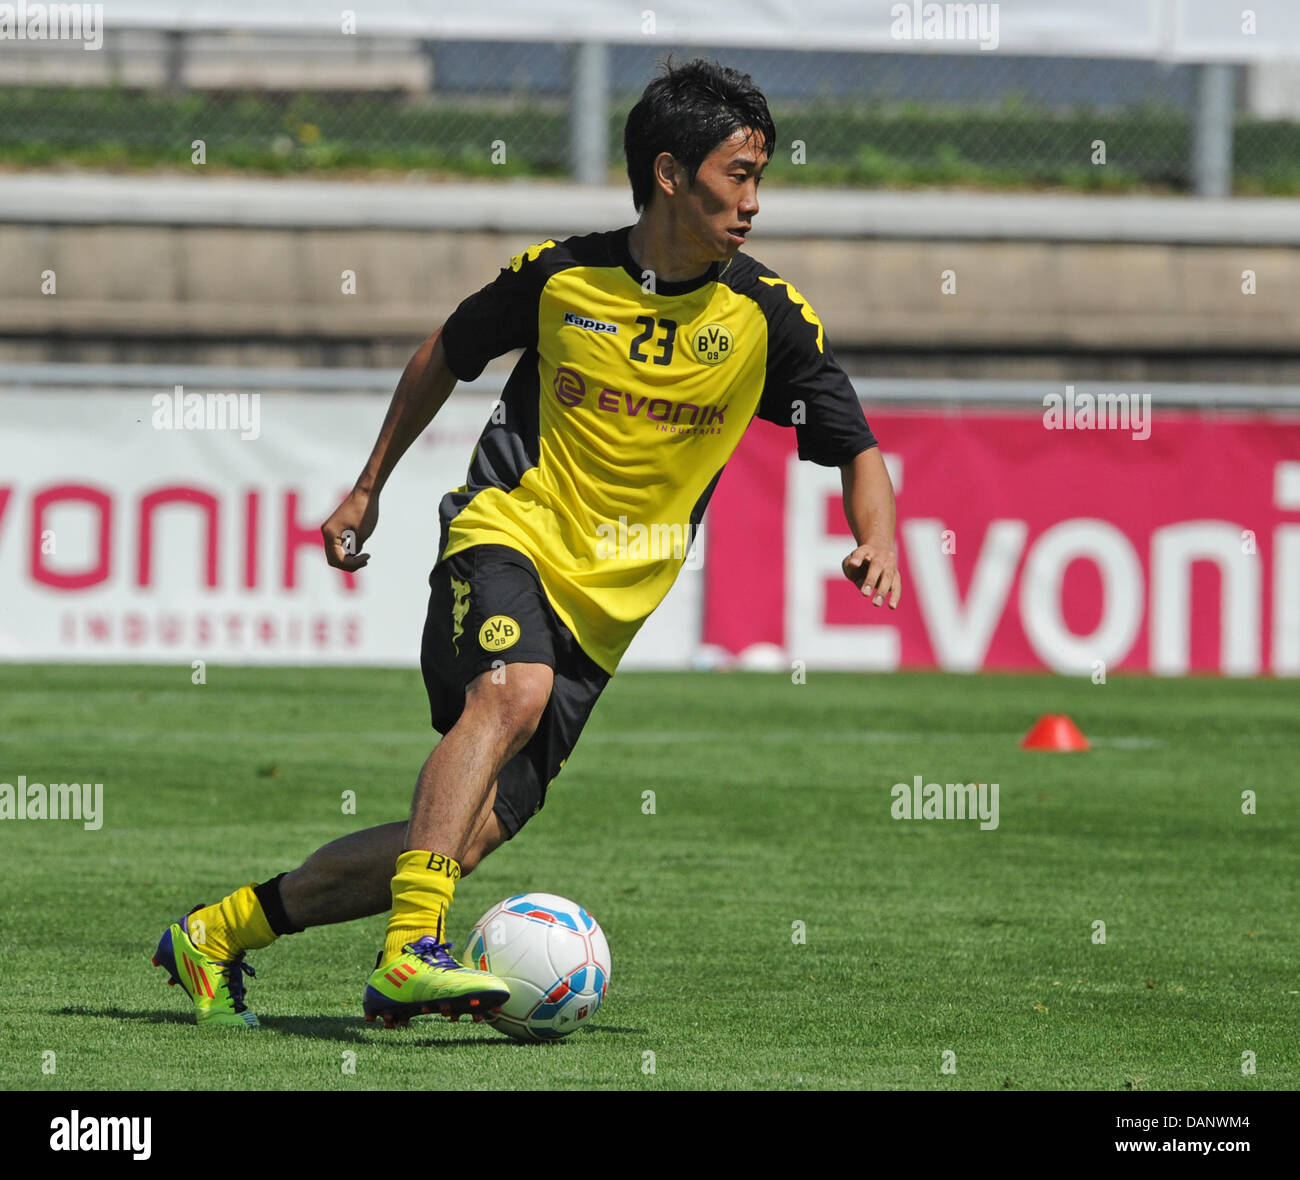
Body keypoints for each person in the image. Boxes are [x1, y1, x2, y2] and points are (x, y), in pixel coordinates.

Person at [152, 56, 901, 1030]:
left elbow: (856, 446)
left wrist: (874, 539)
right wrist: (369, 487)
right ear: (670, 174)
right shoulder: (561, 278)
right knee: (514, 688)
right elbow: (446, 352)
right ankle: (412, 954)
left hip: (607, 616)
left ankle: (216, 931)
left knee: (452, 842)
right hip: (503, 533)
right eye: (739, 174)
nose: (754, 201)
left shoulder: (763, 317)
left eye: (759, 177)